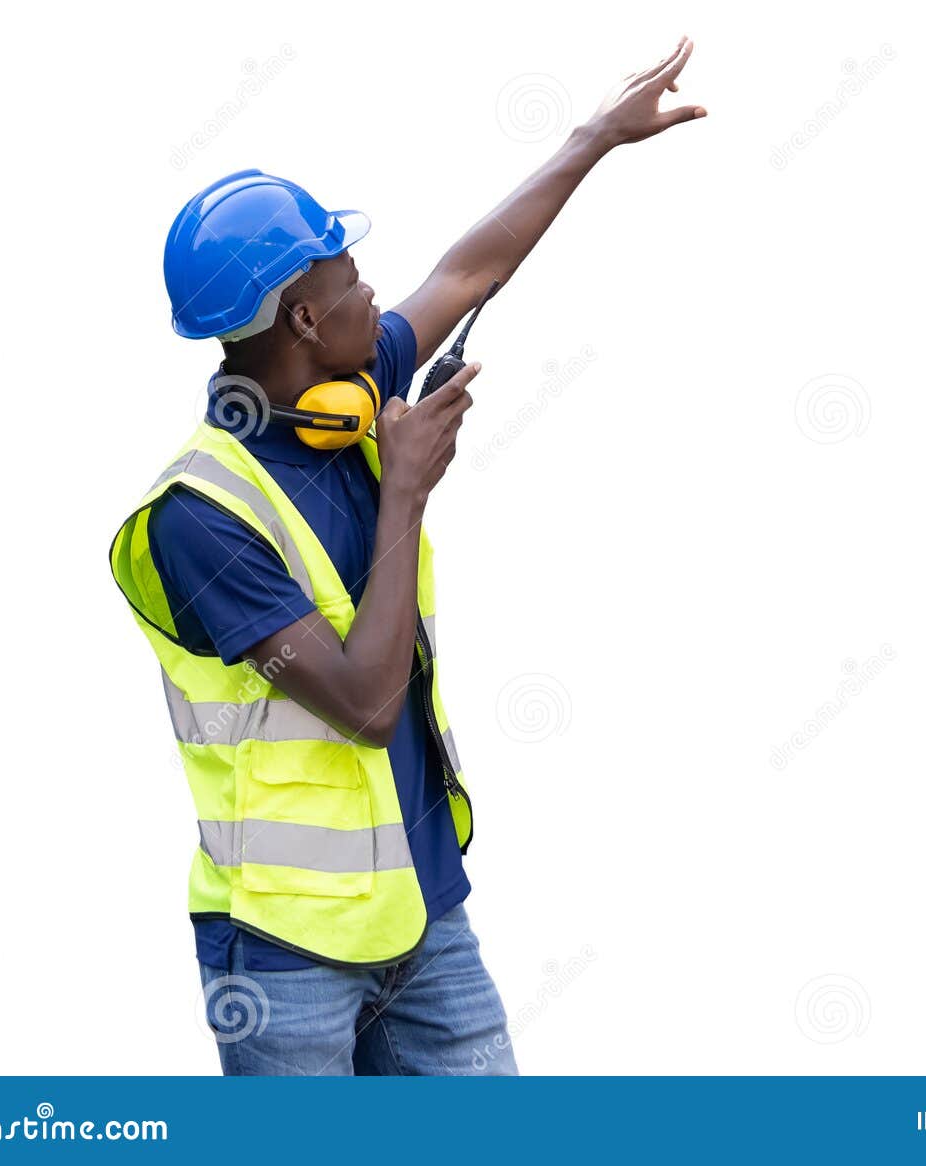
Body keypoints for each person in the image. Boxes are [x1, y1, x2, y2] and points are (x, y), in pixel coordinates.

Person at [108, 38, 705, 1076]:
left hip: (422, 915)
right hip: (286, 952)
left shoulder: (352, 392)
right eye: (351, 279)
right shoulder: (198, 517)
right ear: (304, 317)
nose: (375, 293)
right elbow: (364, 703)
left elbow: (468, 271)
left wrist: (597, 136)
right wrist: (408, 490)